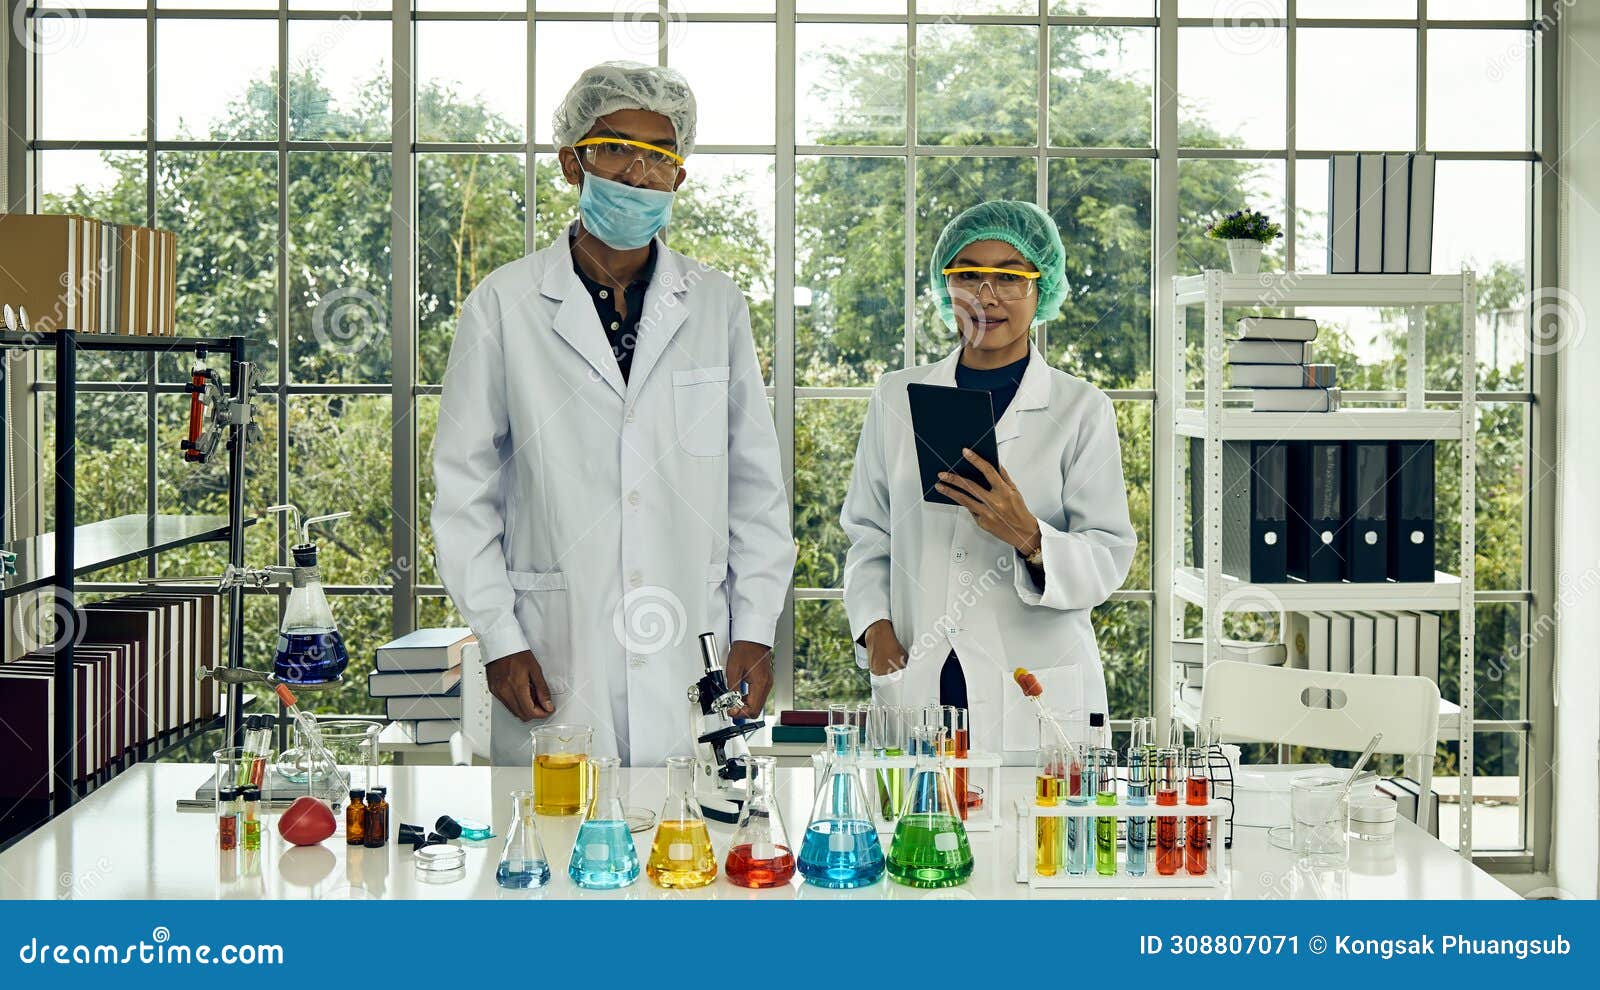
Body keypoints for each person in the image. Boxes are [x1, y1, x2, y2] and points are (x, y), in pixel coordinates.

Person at [431, 62, 795, 766]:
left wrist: (754, 627)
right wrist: (501, 639)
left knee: (691, 855)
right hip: (555, 648)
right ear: (573, 162)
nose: (636, 172)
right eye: (615, 148)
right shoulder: (504, 304)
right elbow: (464, 493)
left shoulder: (715, 304)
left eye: (658, 156)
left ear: (679, 178)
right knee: (556, 850)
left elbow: (754, 486)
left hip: (694, 642)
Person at [840, 200, 1136, 759]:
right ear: (945, 286)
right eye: (969, 274)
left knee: (1036, 838)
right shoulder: (895, 397)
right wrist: (875, 632)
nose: (987, 294)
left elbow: (1108, 557)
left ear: (1040, 288)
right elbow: (867, 532)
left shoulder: (1079, 409)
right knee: (922, 834)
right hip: (920, 670)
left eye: (1009, 277)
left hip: (1032, 684)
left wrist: (1028, 536)